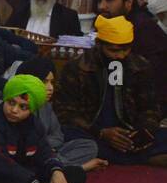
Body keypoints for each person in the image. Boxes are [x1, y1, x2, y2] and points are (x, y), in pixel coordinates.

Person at [54, 15, 167, 166]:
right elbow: (64, 113)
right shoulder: (77, 68)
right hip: (93, 133)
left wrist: (143, 131)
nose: (120, 56)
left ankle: (130, 155)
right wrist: (102, 132)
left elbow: (151, 108)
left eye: (125, 50)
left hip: (129, 132)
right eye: (113, 50)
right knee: (76, 139)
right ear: (98, 44)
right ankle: (144, 158)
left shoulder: (140, 66)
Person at [14, 55, 102, 171]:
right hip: (27, 153)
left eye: (52, 82)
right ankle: (73, 168)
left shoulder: (45, 106)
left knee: (89, 146)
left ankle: (56, 165)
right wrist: (44, 147)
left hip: (50, 150)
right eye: (44, 82)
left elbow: (58, 136)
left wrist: (47, 146)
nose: (50, 88)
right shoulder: (14, 106)